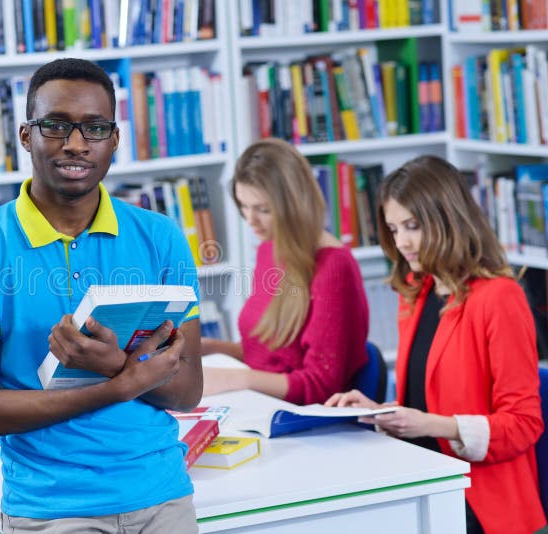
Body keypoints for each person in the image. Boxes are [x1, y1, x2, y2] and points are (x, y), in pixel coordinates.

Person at [0, 58, 202, 533]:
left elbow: (186, 392)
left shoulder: (161, 237)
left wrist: (112, 365)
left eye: (95, 128)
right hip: (51, 510)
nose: (76, 144)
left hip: (164, 499)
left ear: (114, 140)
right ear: (25, 135)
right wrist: (121, 384)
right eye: (56, 125)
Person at [326, 155, 546, 534]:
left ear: (449, 218)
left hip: (485, 507)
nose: (403, 242)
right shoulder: (417, 292)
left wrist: (432, 424)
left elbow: (524, 424)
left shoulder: (500, 298)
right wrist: (381, 412)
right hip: (428, 485)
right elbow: (428, 403)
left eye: (413, 226)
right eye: (394, 229)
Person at [201, 138, 368, 404]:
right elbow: (271, 355)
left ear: (294, 205)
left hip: (308, 420)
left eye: (263, 209)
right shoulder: (269, 248)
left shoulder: (334, 266)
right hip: (263, 403)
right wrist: (213, 348)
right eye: (243, 206)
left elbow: (322, 385)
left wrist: (234, 378)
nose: (250, 220)